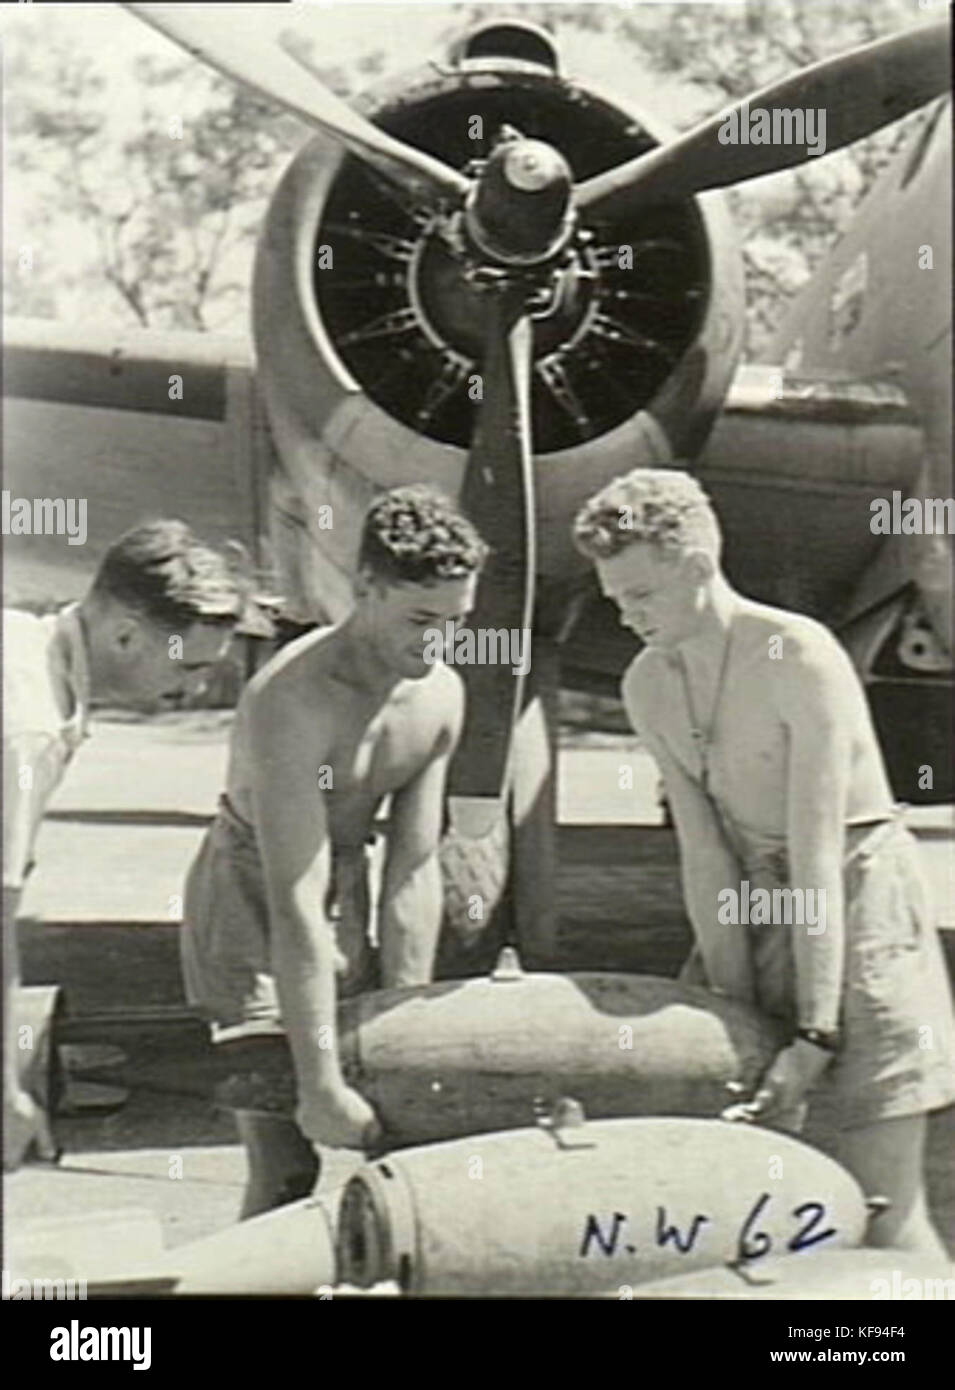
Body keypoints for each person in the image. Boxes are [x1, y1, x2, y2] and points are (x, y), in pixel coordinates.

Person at [573, 468, 955, 1258]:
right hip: (755, 905)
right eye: (613, 599)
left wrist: (813, 1034)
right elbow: (704, 859)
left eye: (639, 594)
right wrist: (739, 1020)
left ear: (694, 566)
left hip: (856, 910)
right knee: (761, 1206)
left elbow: (817, 854)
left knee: (884, 1212)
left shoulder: (797, 654)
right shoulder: (647, 684)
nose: (624, 615)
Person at [181, 485, 487, 1217]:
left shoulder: (440, 695)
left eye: (455, 621)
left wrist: (409, 1029)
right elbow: (294, 896)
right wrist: (319, 1082)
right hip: (253, 899)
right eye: (419, 619)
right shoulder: (289, 697)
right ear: (365, 588)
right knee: (288, 1165)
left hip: (343, 890)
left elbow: (413, 871)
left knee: (399, 1144)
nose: (436, 641)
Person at [3, 520, 250, 1170]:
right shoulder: (28, 727)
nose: (198, 689)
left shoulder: (27, 647)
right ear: (123, 634)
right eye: (188, 665)